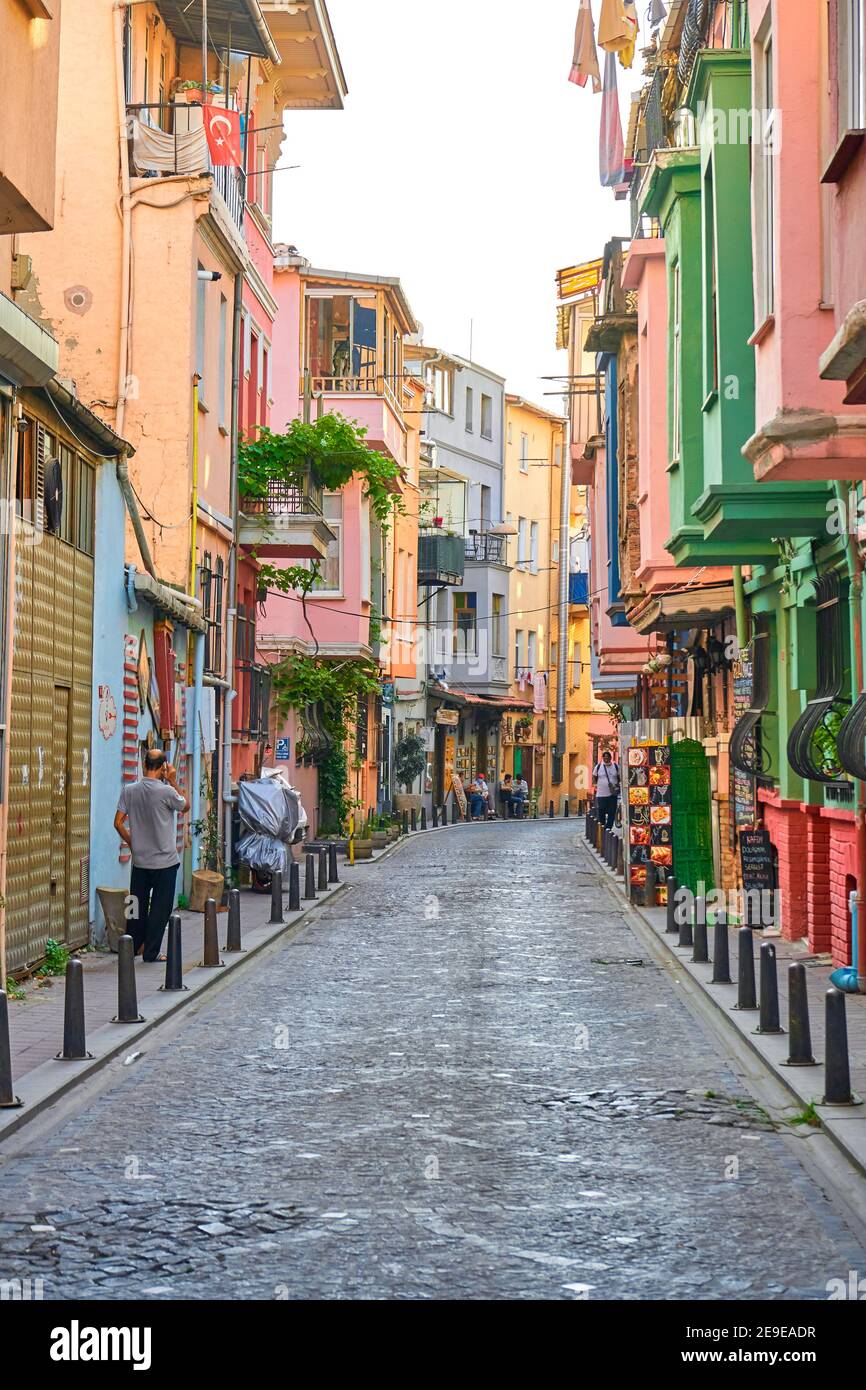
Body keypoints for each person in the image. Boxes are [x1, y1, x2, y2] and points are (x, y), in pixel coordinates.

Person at [114, 750, 190, 963]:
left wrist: (132, 842)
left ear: (143, 764)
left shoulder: (129, 790)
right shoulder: (167, 792)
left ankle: (131, 945)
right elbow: (185, 806)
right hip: (165, 862)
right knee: (160, 908)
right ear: (164, 767)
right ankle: (151, 952)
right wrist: (173, 780)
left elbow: (118, 822)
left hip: (140, 861)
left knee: (135, 904)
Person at [593, 750, 620, 830]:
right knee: (601, 811)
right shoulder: (598, 767)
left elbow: (619, 778)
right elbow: (595, 777)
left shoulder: (615, 766)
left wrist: (615, 786)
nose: (606, 759)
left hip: (613, 794)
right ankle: (602, 827)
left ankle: (608, 828)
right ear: (602, 758)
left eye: (607, 758)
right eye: (604, 758)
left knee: (612, 812)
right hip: (601, 794)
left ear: (610, 758)